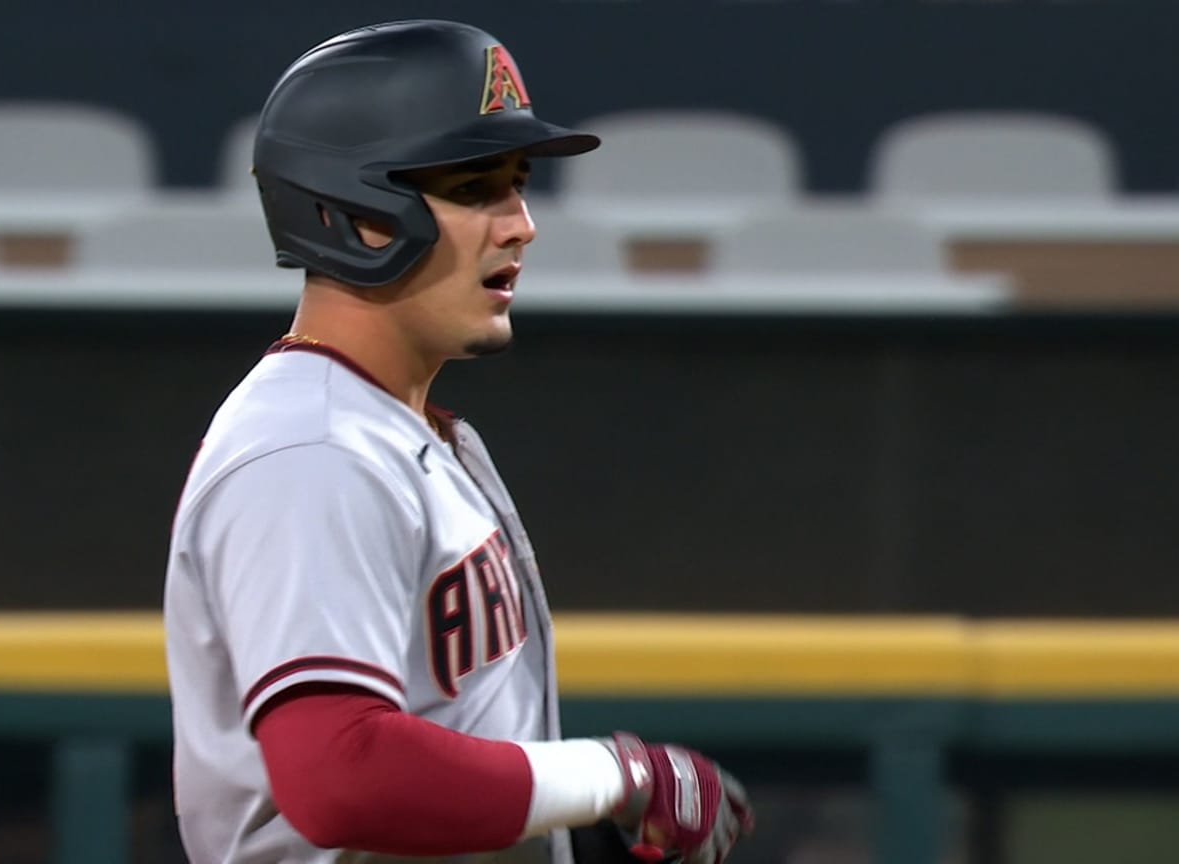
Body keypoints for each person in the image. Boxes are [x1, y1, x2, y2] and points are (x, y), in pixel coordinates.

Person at [163, 19, 753, 864]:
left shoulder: (384, 429)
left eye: (517, 185)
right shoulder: (315, 450)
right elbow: (340, 774)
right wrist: (613, 775)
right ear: (356, 214)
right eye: (476, 189)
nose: (520, 226)